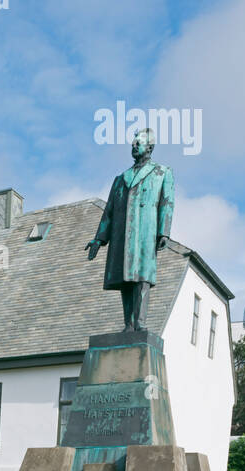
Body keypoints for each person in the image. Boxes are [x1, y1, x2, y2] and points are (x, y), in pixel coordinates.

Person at [85, 128, 175, 331]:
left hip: (145, 231)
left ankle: (140, 323)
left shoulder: (162, 172)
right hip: (121, 234)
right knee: (124, 277)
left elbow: (166, 203)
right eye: (133, 143)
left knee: (141, 277)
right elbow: (109, 210)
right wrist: (99, 239)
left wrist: (164, 232)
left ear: (150, 147)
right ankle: (128, 324)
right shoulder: (120, 179)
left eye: (139, 143)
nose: (134, 146)